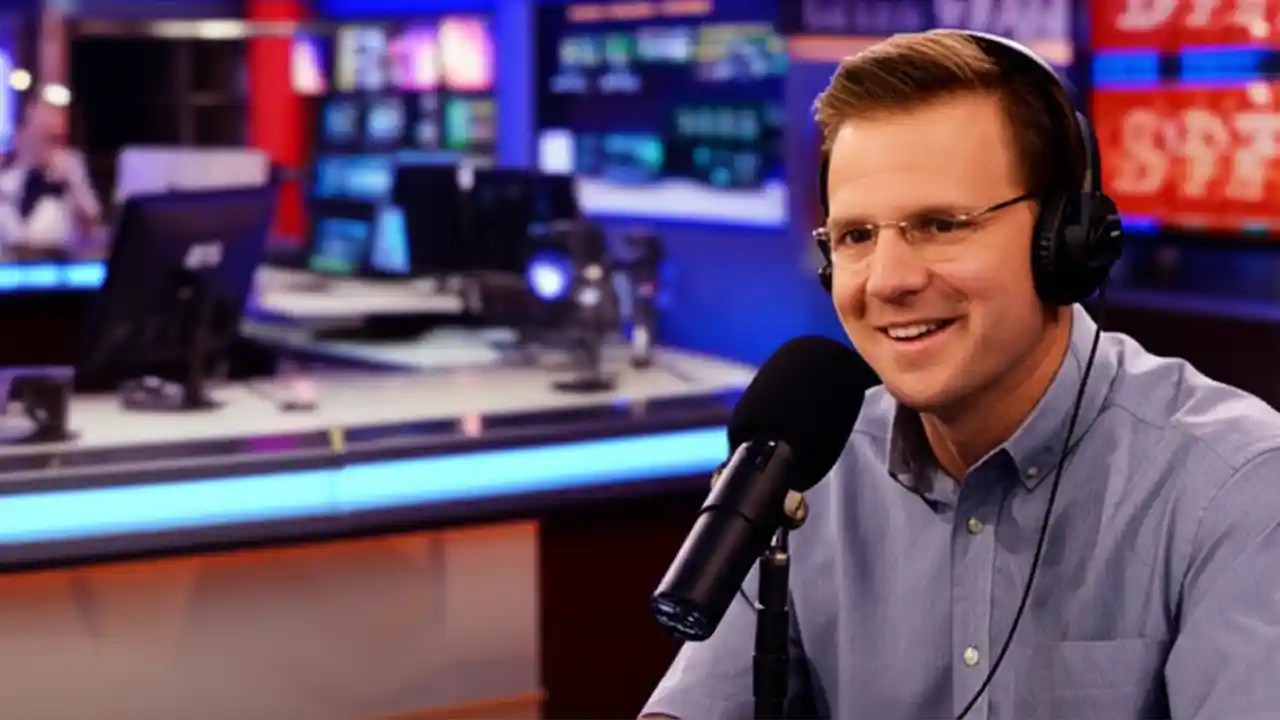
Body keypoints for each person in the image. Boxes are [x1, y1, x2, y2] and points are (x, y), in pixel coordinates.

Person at [642, 30, 1280, 720]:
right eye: (857, 237)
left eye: (941, 225)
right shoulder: (809, 467)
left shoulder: (1234, 486)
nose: (887, 281)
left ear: (1064, 242)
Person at [0, 97, 103, 260]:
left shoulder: (71, 169)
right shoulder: (6, 175)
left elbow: (92, 226)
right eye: (41, 135)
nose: (48, 147)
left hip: (57, 266)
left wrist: (71, 183)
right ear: (21, 135)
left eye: (55, 139)